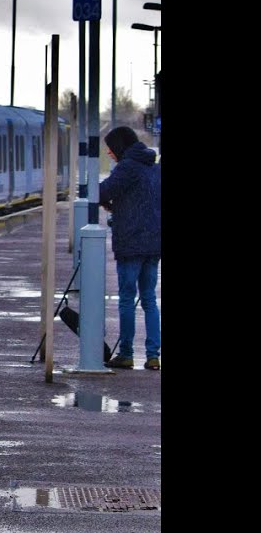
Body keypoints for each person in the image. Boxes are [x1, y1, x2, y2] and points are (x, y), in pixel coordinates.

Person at [99, 126, 160, 370]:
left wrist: (108, 204)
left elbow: (102, 191)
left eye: (111, 148)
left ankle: (126, 353)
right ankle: (153, 355)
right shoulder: (153, 168)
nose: (109, 152)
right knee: (149, 300)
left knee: (126, 299)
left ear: (121, 146)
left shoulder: (128, 168)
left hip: (131, 243)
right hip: (154, 244)